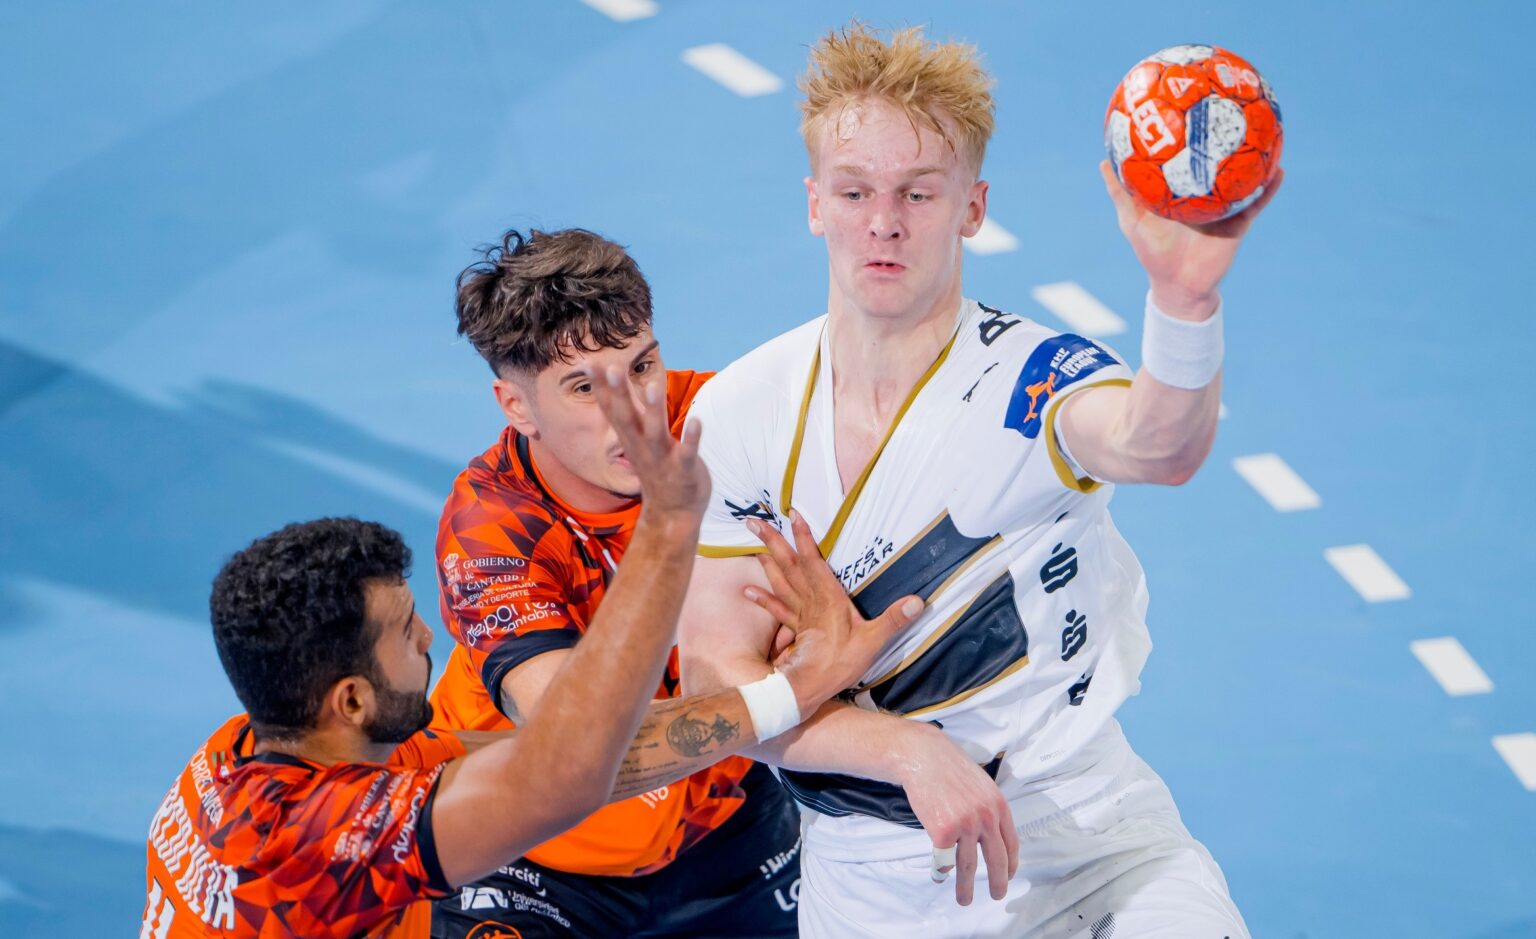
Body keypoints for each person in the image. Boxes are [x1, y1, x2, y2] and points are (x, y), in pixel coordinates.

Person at [677, 23, 1282, 938]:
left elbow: (1159, 447)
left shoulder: (1034, 378)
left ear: (973, 207)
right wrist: (901, 749)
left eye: (919, 192)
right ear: (815, 204)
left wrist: (1184, 301)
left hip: (1088, 841)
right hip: (872, 885)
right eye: (855, 190)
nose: (884, 221)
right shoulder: (740, 412)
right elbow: (718, 691)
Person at [140, 369, 921, 939]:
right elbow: (566, 774)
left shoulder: (247, 756)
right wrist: (673, 536)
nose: (430, 637)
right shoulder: (326, 841)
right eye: (406, 631)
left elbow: (587, 754)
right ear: (350, 699)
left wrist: (776, 694)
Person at [427, 228, 816, 937]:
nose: (635, 411)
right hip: (531, 858)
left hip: (725, 830)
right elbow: (580, 746)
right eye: (584, 388)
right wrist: (803, 683)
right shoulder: (491, 525)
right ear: (517, 407)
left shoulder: (723, 420)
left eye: (642, 366)